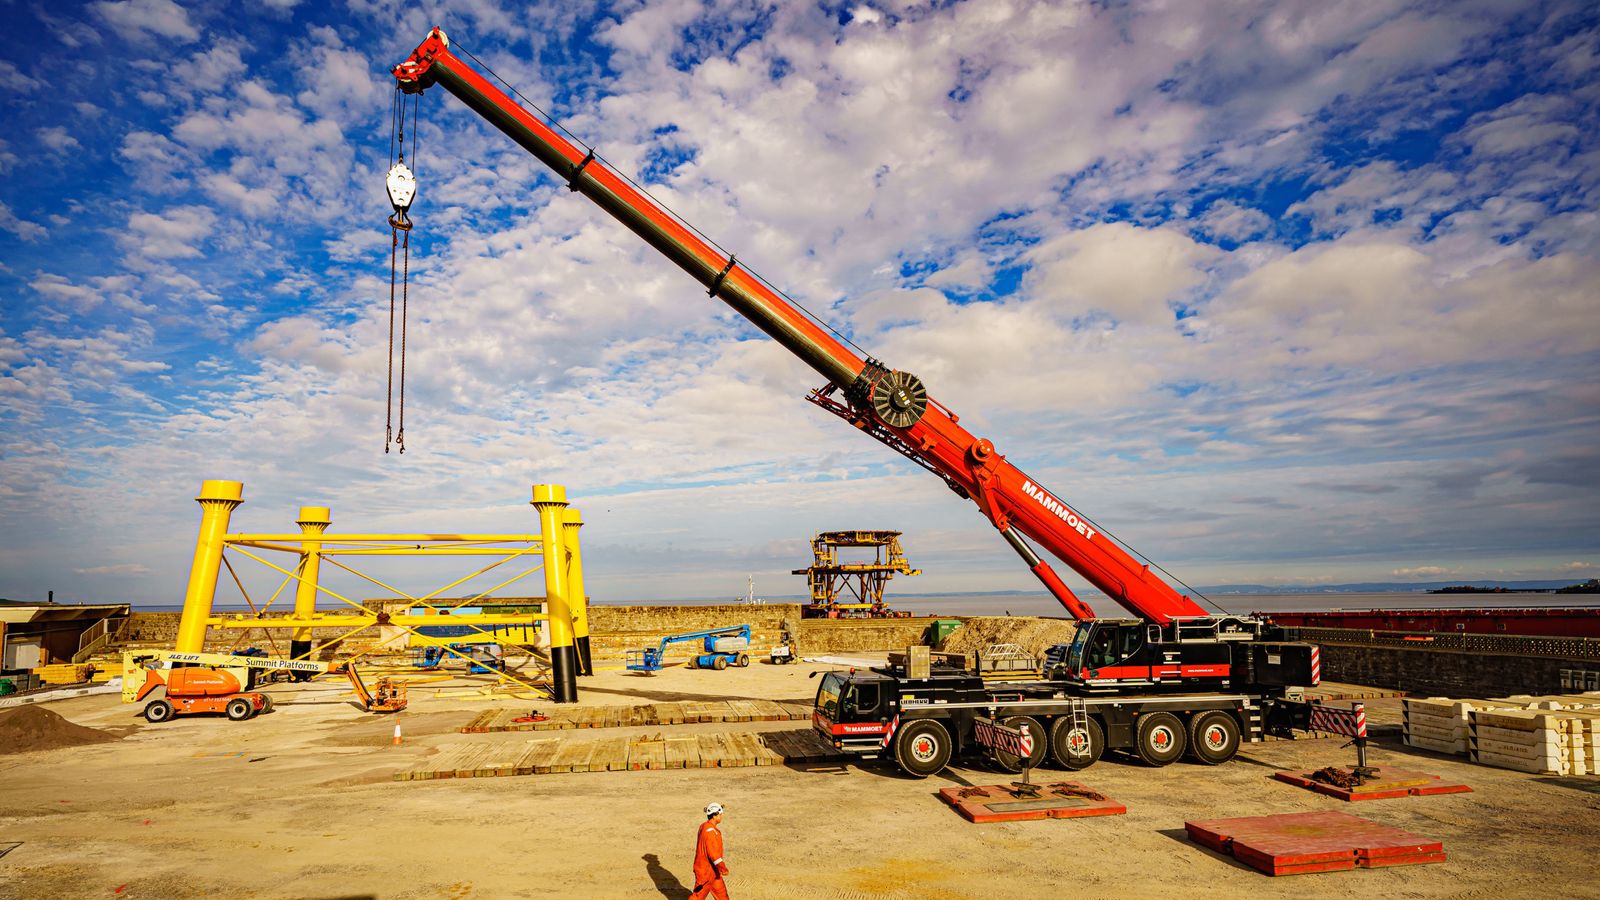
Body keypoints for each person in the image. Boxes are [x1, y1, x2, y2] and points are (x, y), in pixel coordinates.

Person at [688, 802, 730, 900]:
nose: (721, 816)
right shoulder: (710, 832)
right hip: (705, 872)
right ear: (714, 816)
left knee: (722, 895)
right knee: (698, 897)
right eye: (720, 814)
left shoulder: (704, 826)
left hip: (714, 871)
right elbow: (713, 854)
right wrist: (723, 868)